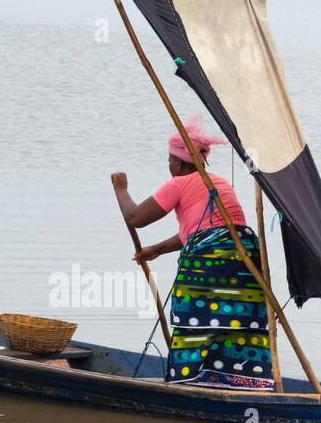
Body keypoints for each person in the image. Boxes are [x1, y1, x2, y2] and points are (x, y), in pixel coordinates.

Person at [112, 122, 274, 388]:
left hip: (209, 265)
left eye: (169, 160)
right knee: (237, 324)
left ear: (177, 162)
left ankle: (189, 380)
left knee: (196, 322)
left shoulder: (179, 183)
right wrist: (158, 249)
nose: (169, 165)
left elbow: (135, 218)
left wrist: (121, 188)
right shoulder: (218, 182)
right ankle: (240, 381)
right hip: (245, 262)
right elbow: (209, 228)